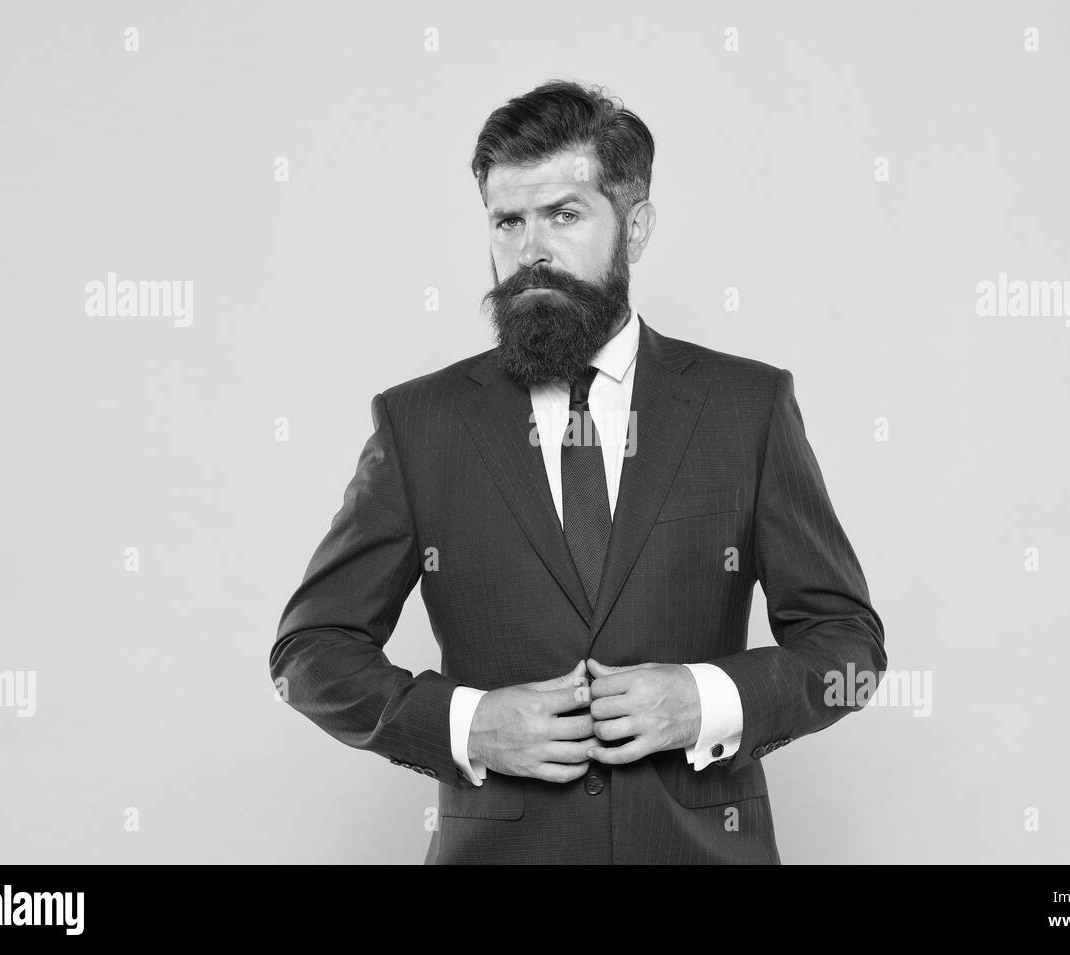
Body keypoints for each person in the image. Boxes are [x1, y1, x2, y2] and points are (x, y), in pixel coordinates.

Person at [270, 80, 887, 864]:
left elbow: (849, 646)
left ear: (635, 229)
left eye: (564, 215)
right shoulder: (421, 424)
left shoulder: (749, 405)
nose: (532, 251)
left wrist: (706, 700)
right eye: (508, 221)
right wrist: (467, 723)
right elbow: (311, 650)